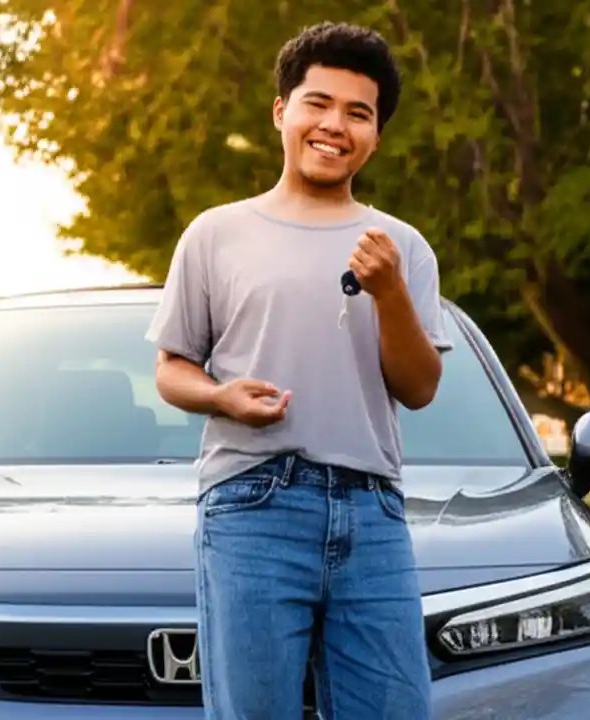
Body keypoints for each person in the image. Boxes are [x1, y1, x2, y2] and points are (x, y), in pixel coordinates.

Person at [145, 20, 453, 720]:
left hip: (373, 511)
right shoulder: (217, 233)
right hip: (252, 504)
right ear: (282, 111)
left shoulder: (402, 247)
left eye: (358, 113)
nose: (334, 125)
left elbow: (419, 386)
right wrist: (222, 396)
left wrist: (391, 292)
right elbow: (171, 368)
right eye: (318, 103)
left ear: (376, 136)